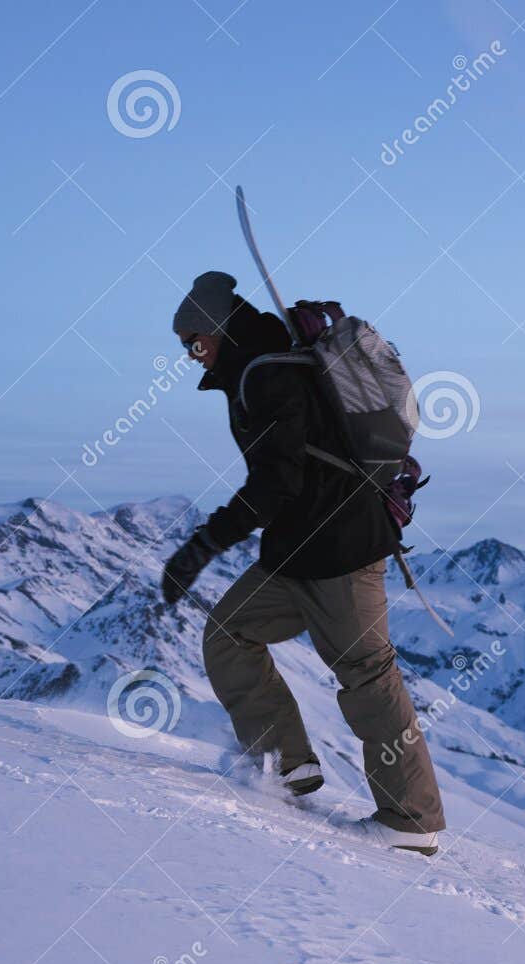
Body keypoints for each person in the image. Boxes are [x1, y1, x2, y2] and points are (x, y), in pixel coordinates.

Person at [159, 271, 446, 856]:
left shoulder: (270, 377)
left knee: (367, 675)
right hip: (296, 551)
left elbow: (276, 482)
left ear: (215, 329)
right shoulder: (260, 368)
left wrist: (203, 545)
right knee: (229, 632)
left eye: (193, 342)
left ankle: (411, 822)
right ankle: (284, 764)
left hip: (342, 552)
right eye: (184, 347)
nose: (190, 356)